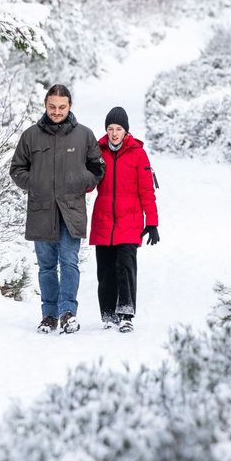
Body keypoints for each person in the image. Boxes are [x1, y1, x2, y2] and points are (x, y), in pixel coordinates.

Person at [10, 84, 105, 334]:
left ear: (70, 106)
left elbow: (98, 168)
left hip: (71, 210)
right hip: (41, 210)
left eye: (62, 107)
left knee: (69, 262)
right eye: (52, 106)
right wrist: (36, 184)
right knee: (47, 267)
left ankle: (67, 313)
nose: (56, 111)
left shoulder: (84, 135)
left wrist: (81, 181)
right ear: (45, 105)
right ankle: (49, 316)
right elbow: (17, 169)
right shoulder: (31, 136)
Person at [89, 106, 159, 333]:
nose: (114, 133)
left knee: (125, 268)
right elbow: (88, 186)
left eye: (118, 128)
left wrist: (153, 222)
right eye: (110, 128)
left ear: (126, 130)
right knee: (105, 271)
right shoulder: (97, 152)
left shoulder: (138, 154)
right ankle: (108, 315)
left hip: (129, 221)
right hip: (104, 220)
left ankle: (126, 313)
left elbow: (147, 190)